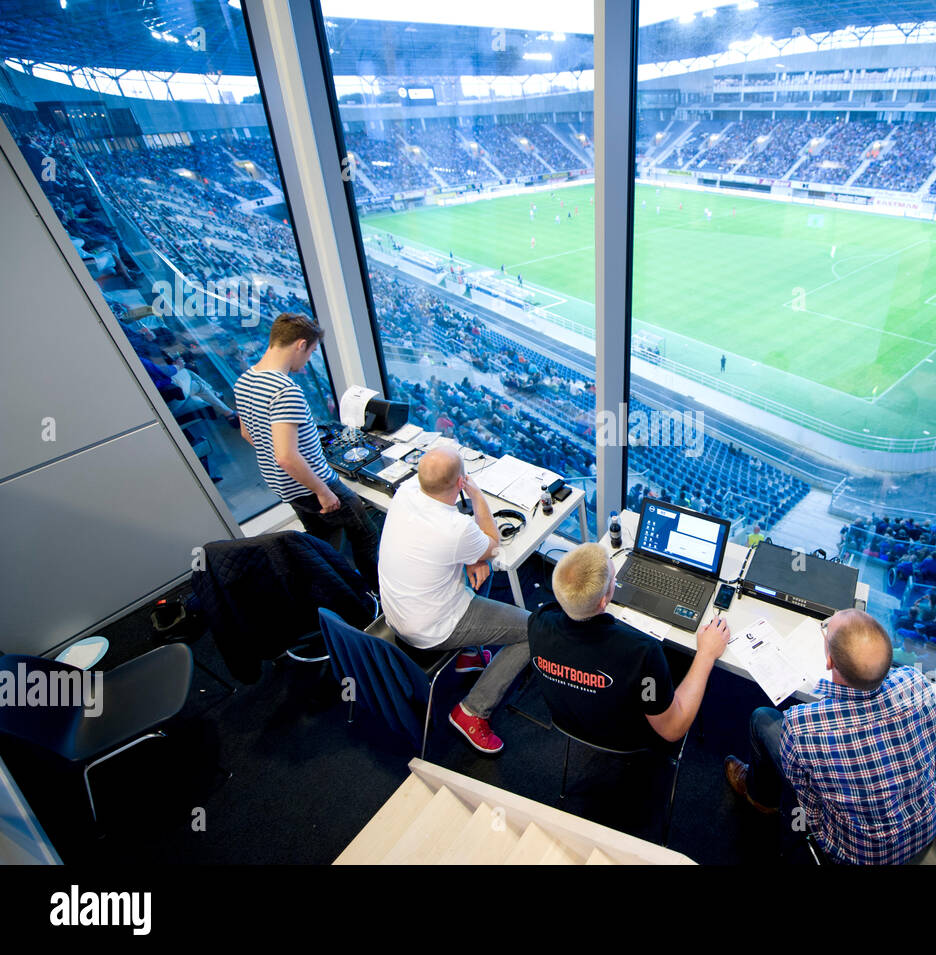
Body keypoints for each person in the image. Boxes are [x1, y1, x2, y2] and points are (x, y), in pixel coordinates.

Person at [725, 608, 936, 865]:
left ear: (829, 661)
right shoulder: (917, 683)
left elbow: (806, 797)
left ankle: (760, 798)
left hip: (858, 855)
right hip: (926, 826)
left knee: (762, 718)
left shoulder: (803, 726)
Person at [378, 447, 531, 754]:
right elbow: (493, 545)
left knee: (481, 567)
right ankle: (473, 711)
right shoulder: (457, 528)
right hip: (432, 630)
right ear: (461, 481)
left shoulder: (405, 493)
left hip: (396, 614)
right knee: (532, 630)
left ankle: (469, 654)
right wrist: (477, 496)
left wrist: (473, 557)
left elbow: (458, 547)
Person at [527, 543, 729, 750]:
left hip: (569, 721)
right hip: (626, 737)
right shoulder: (643, 654)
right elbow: (673, 730)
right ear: (603, 602)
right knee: (682, 660)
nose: (615, 581)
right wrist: (706, 654)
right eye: (613, 579)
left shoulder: (537, 621)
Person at [234, 313, 379, 591]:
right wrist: (322, 491)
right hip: (313, 485)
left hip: (285, 486)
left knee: (321, 541)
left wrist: (284, 454)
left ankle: (336, 589)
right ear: (300, 344)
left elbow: (247, 433)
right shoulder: (284, 390)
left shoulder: (245, 380)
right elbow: (286, 456)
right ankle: (376, 593)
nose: (309, 359)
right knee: (366, 534)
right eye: (311, 351)